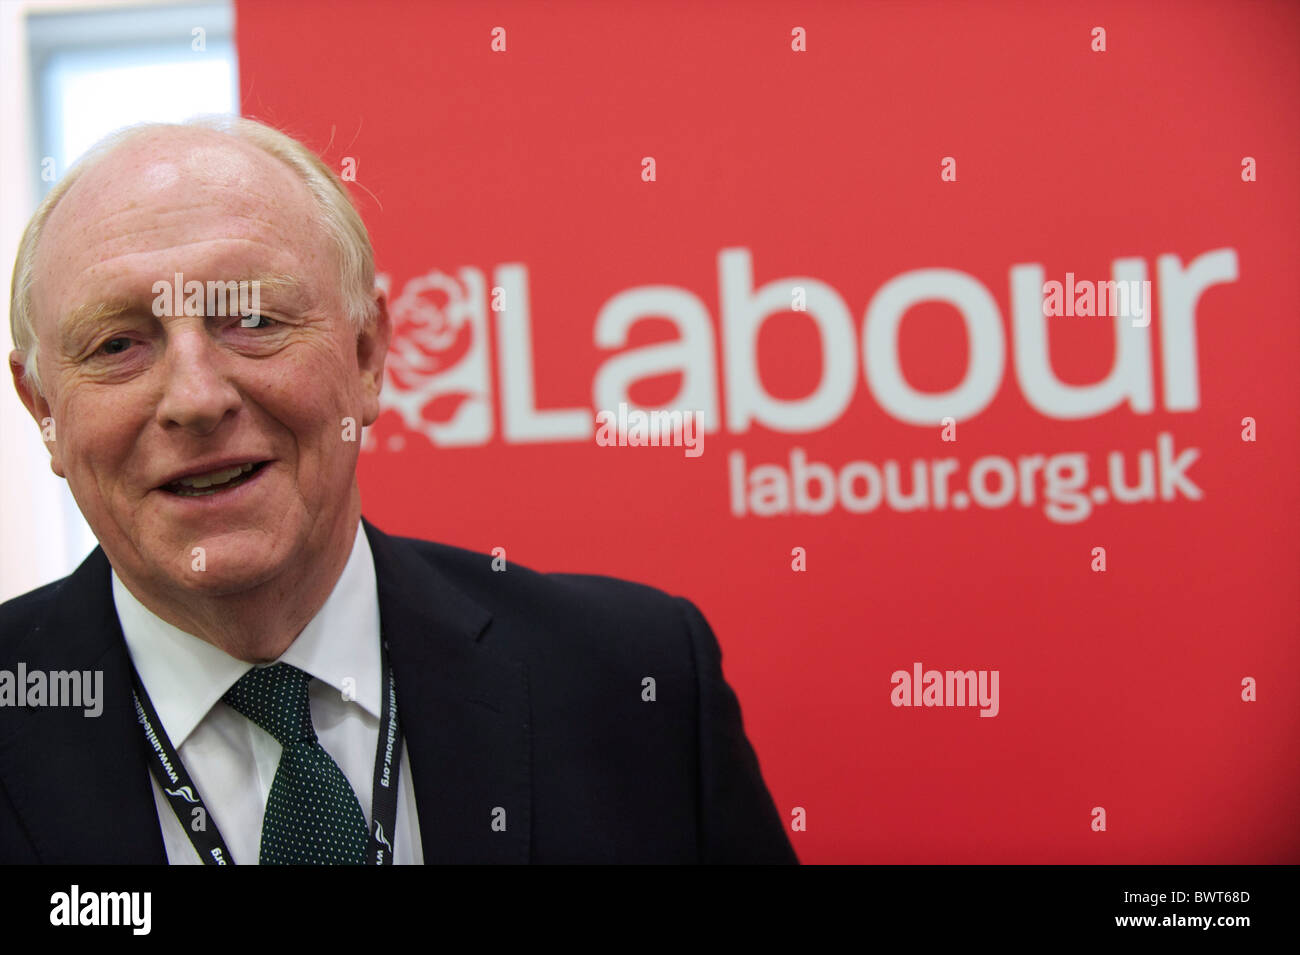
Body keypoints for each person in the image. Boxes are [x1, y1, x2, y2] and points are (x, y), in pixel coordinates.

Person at [0, 116, 796, 865]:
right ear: (43, 409)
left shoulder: (637, 683)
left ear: (368, 352)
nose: (197, 397)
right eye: (116, 344)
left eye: (251, 318)